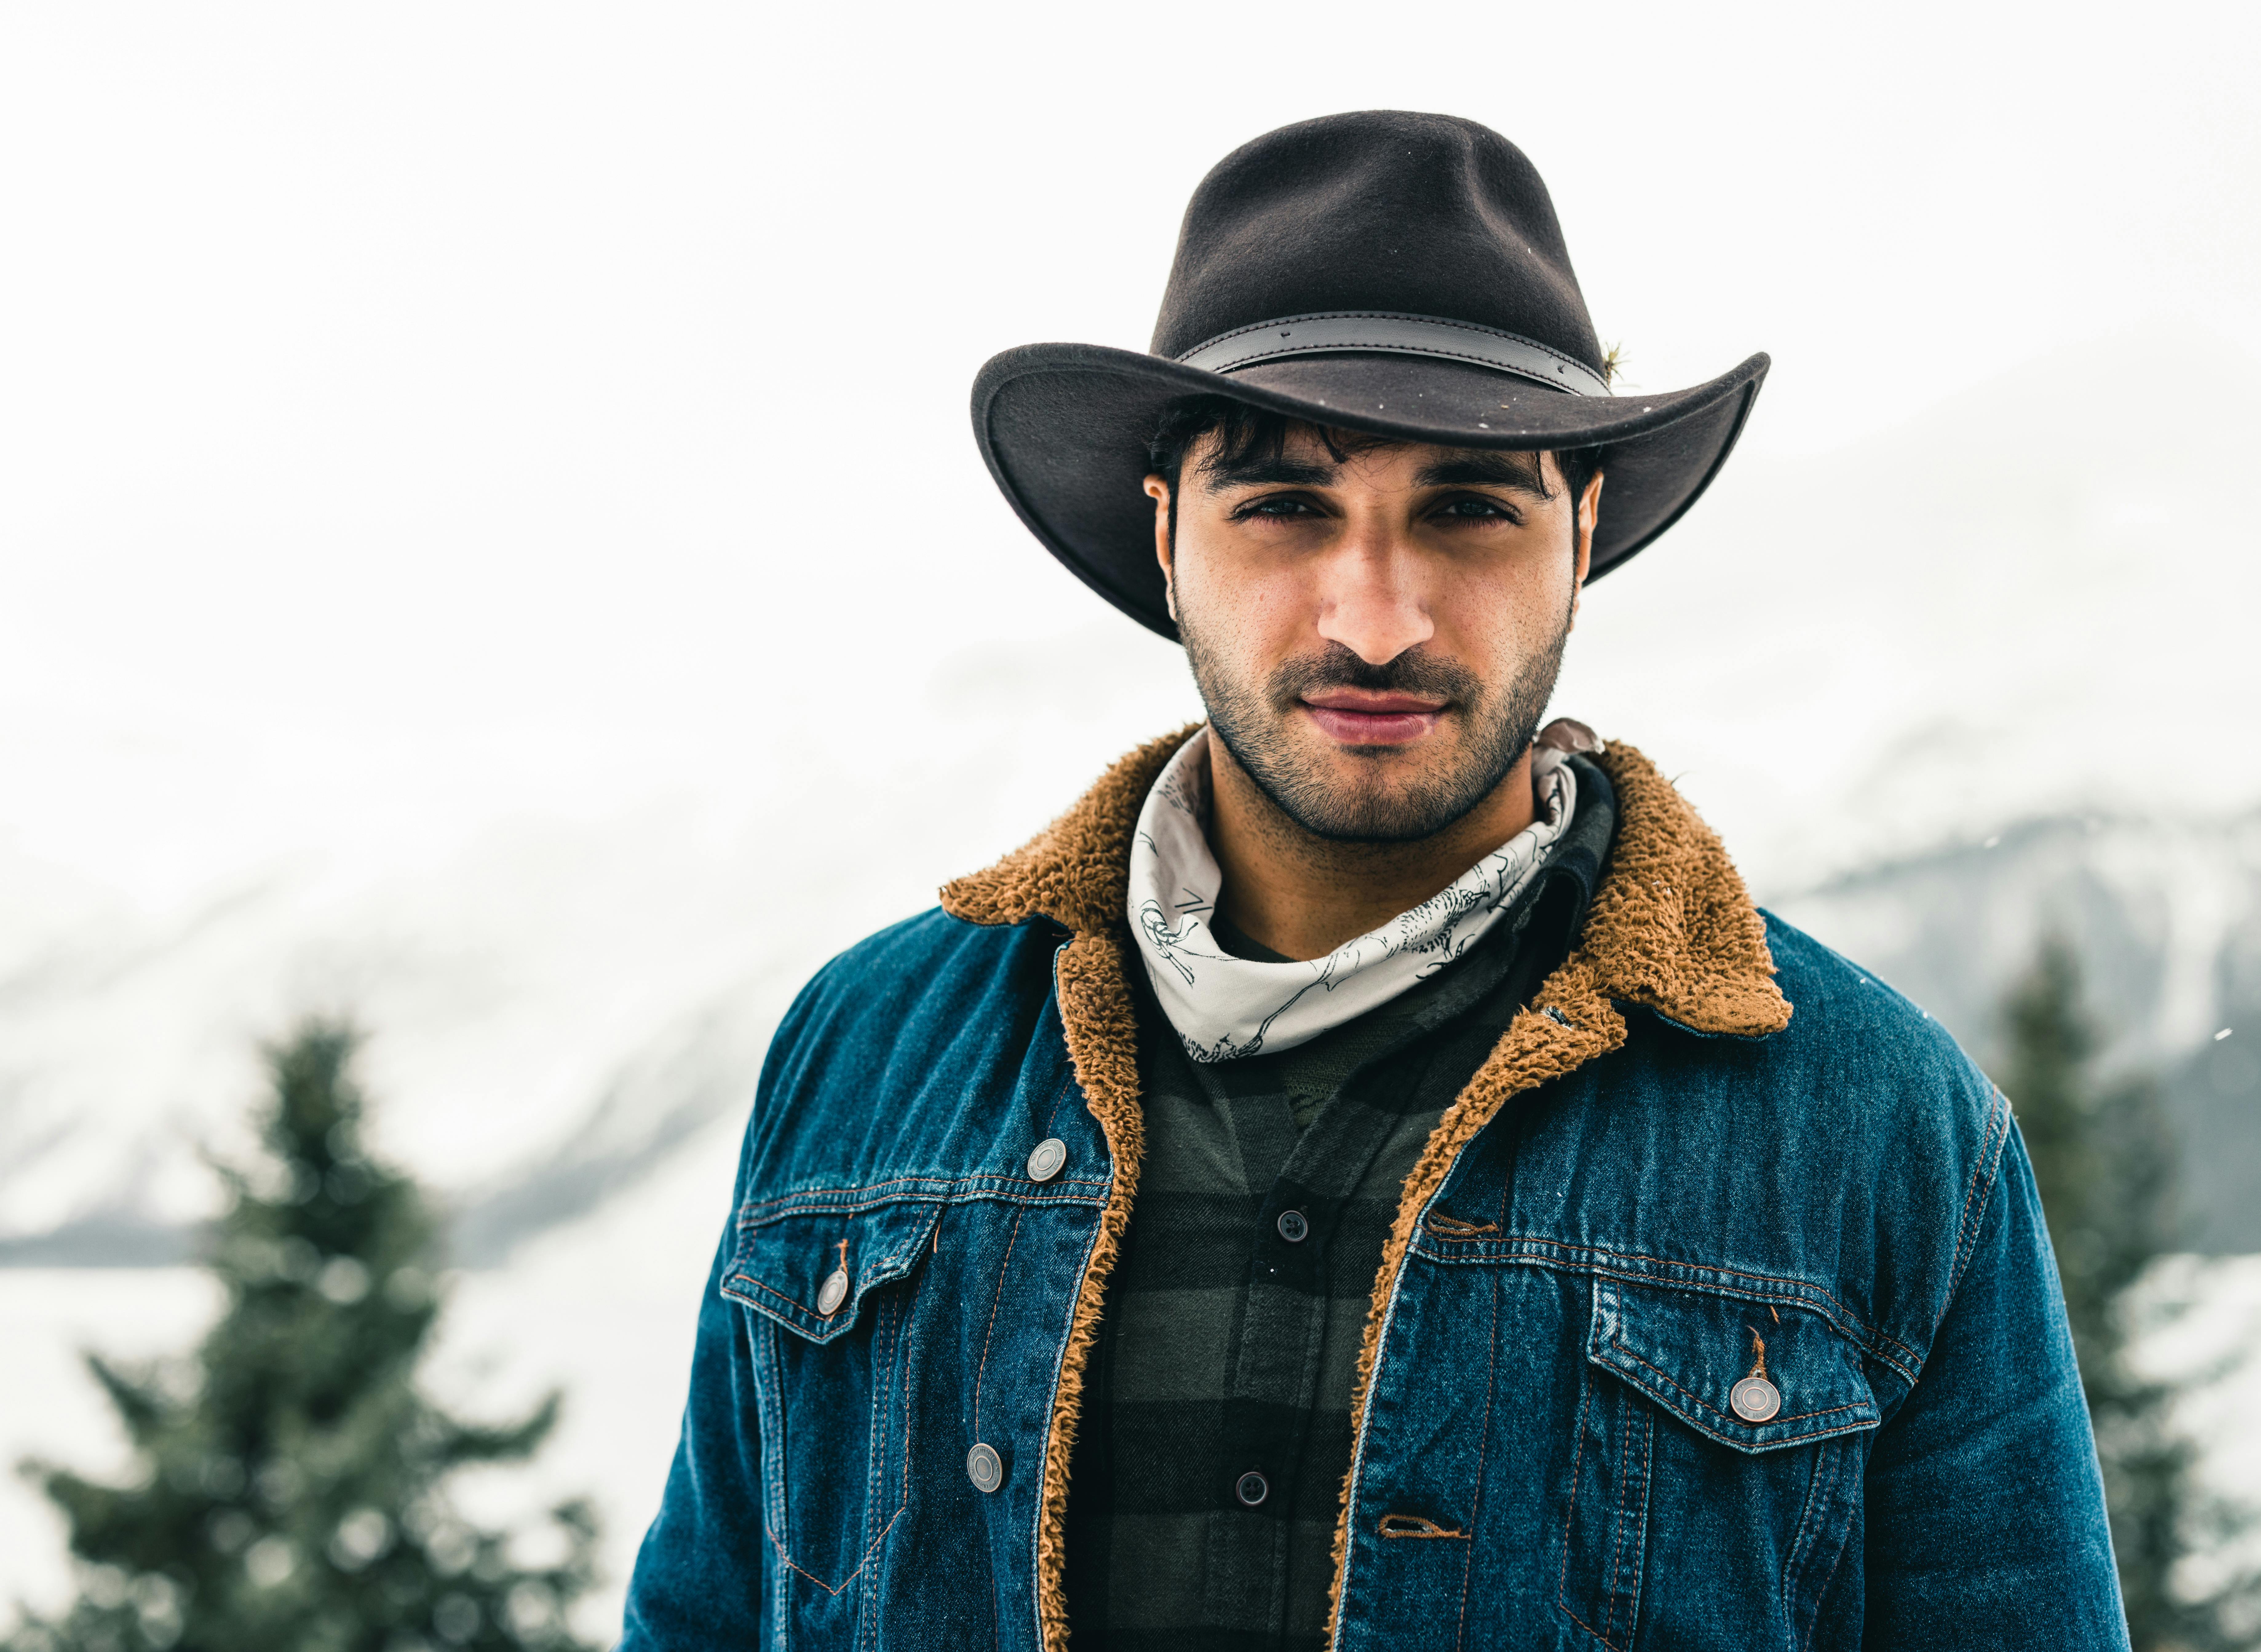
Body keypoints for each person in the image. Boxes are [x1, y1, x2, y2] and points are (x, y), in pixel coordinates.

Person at [621, 110, 2127, 1652]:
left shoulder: (1875, 1124)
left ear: (1582, 529)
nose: (1378, 617)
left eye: (1468, 507)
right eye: (1283, 506)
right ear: (1165, 538)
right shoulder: (866, 1054)